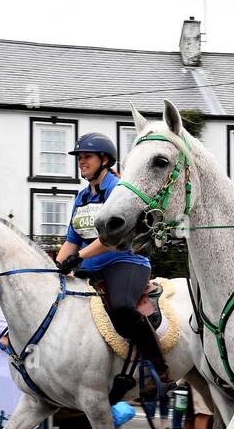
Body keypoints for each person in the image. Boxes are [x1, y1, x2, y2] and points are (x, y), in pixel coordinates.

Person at [54, 132, 165, 399]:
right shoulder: (82, 198)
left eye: (87, 157)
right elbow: (72, 241)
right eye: (79, 157)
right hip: (90, 267)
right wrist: (52, 270)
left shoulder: (118, 189)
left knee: (123, 307)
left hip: (125, 262)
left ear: (105, 160)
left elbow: (111, 238)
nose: (82, 162)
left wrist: (80, 257)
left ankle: (156, 368)